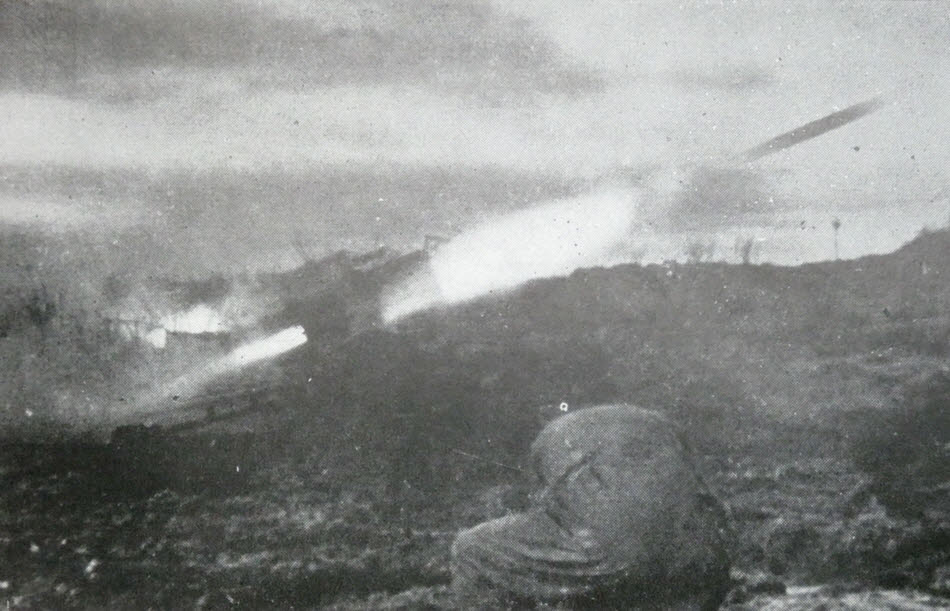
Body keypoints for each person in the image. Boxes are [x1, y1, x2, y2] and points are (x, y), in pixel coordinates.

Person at [451, 404, 731, 610]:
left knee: (471, 547)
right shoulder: (645, 423)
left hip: (612, 555)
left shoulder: (554, 443)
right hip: (700, 541)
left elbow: (556, 507)